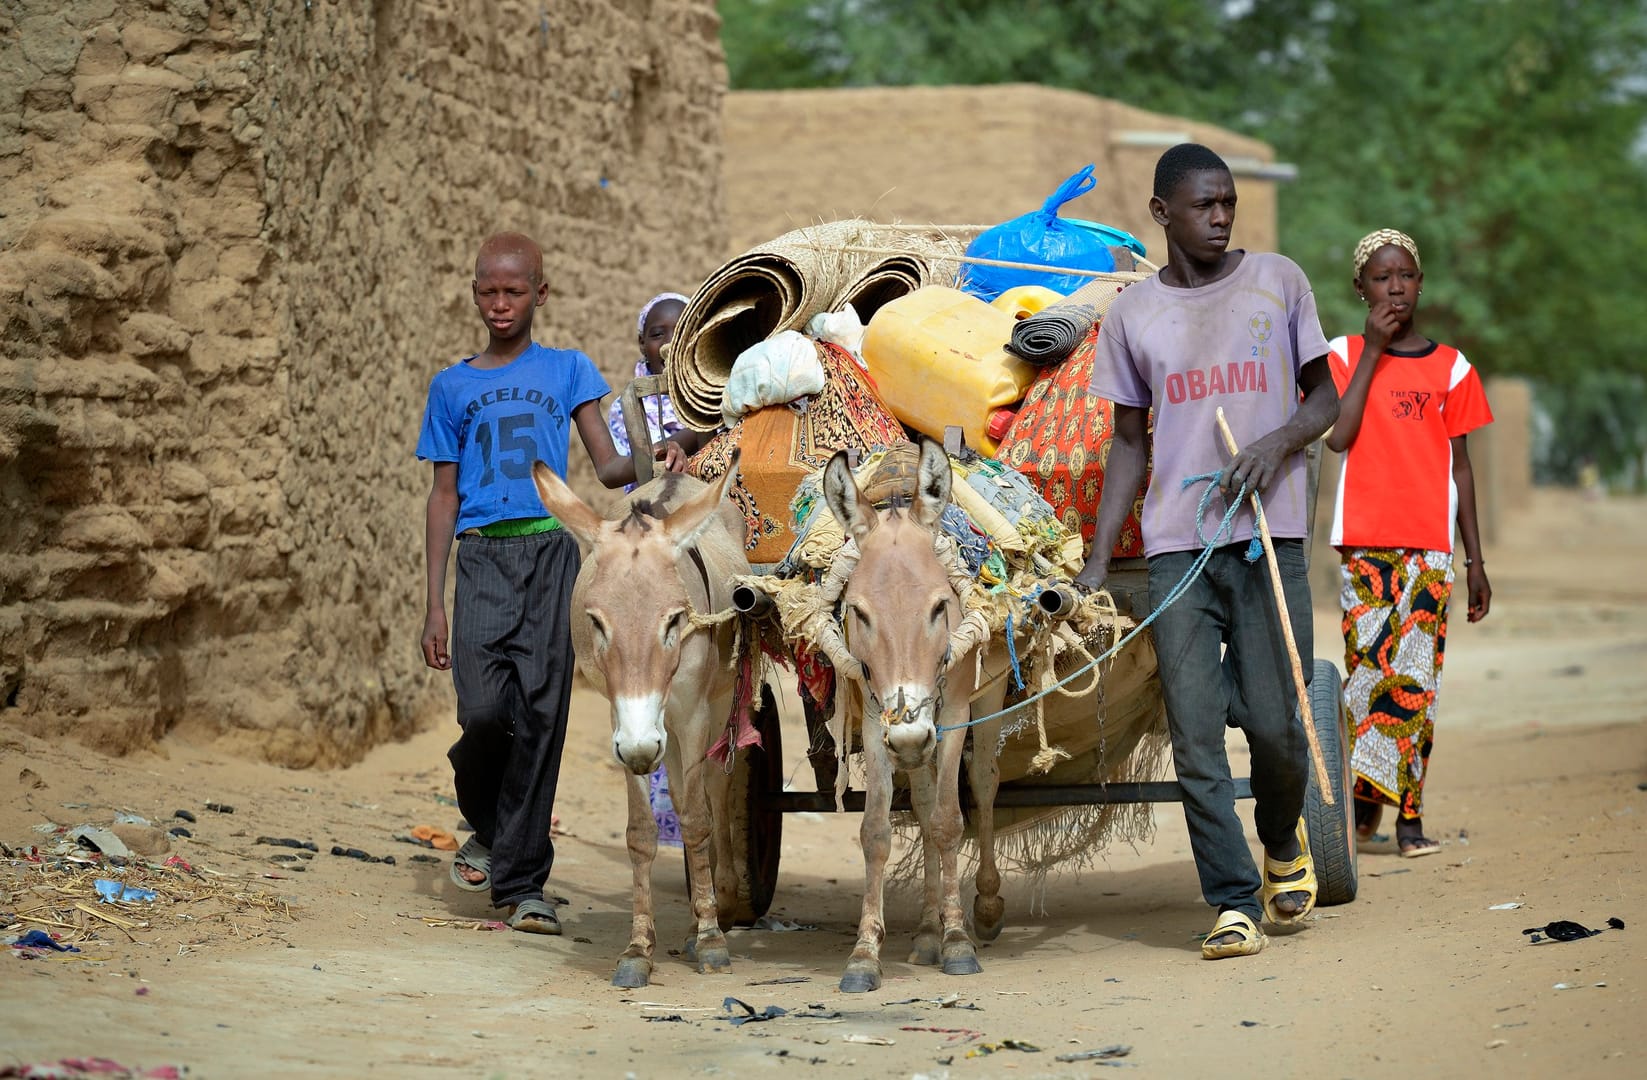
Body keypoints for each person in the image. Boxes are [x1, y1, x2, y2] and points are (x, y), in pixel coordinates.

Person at [1073, 143, 1340, 959]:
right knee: (1193, 736)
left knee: (1275, 724)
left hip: (1266, 536)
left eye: (1228, 202)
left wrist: (1274, 442)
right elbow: (1127, 442)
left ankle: (1282, 839)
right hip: (1176, 546)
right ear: (1162, 213)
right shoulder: (1132, 314)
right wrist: (1096, 558)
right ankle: (1231, 902)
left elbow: (1324, 396)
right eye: (1203, 204)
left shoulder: (1277, 282)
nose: (1221, 216)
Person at [417, 232, 687, 934]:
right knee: (483, 712)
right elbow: (443, 496)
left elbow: (608, 467)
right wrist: (432, 604)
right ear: (474, 294)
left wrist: (661, 453)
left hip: (551, 557)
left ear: (540, 294)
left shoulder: (568, 370)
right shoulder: (451, 387)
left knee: (540, 718)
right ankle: (489, 824)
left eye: (514, 291)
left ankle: (523, 885)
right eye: (488, 291)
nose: (500, 304)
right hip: (481, 558)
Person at [1325, 229, 1493, 857]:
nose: (1394, 288)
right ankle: (1365, 798)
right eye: (1381, 277)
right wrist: (1373, 350)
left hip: (1430, 547)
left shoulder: (1454, 367)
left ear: (1421, 284)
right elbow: (1338, 437)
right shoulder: (1342, 354)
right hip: (1364, 544)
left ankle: (1410, 820)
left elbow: (1462, 469)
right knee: (1367, 678)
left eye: (1405, 276)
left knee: (1417, 683)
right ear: (1361, 288)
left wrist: (1476, 561)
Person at [605, 291, 699, 846]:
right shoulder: (628, 406)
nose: (668, 344)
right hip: (650, 527)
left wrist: (688, 443)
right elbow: (619, 470)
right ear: (641, 343)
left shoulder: (708, 388)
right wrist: (660, 454)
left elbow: (722, 431)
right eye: (658, 335)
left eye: (679, 333)